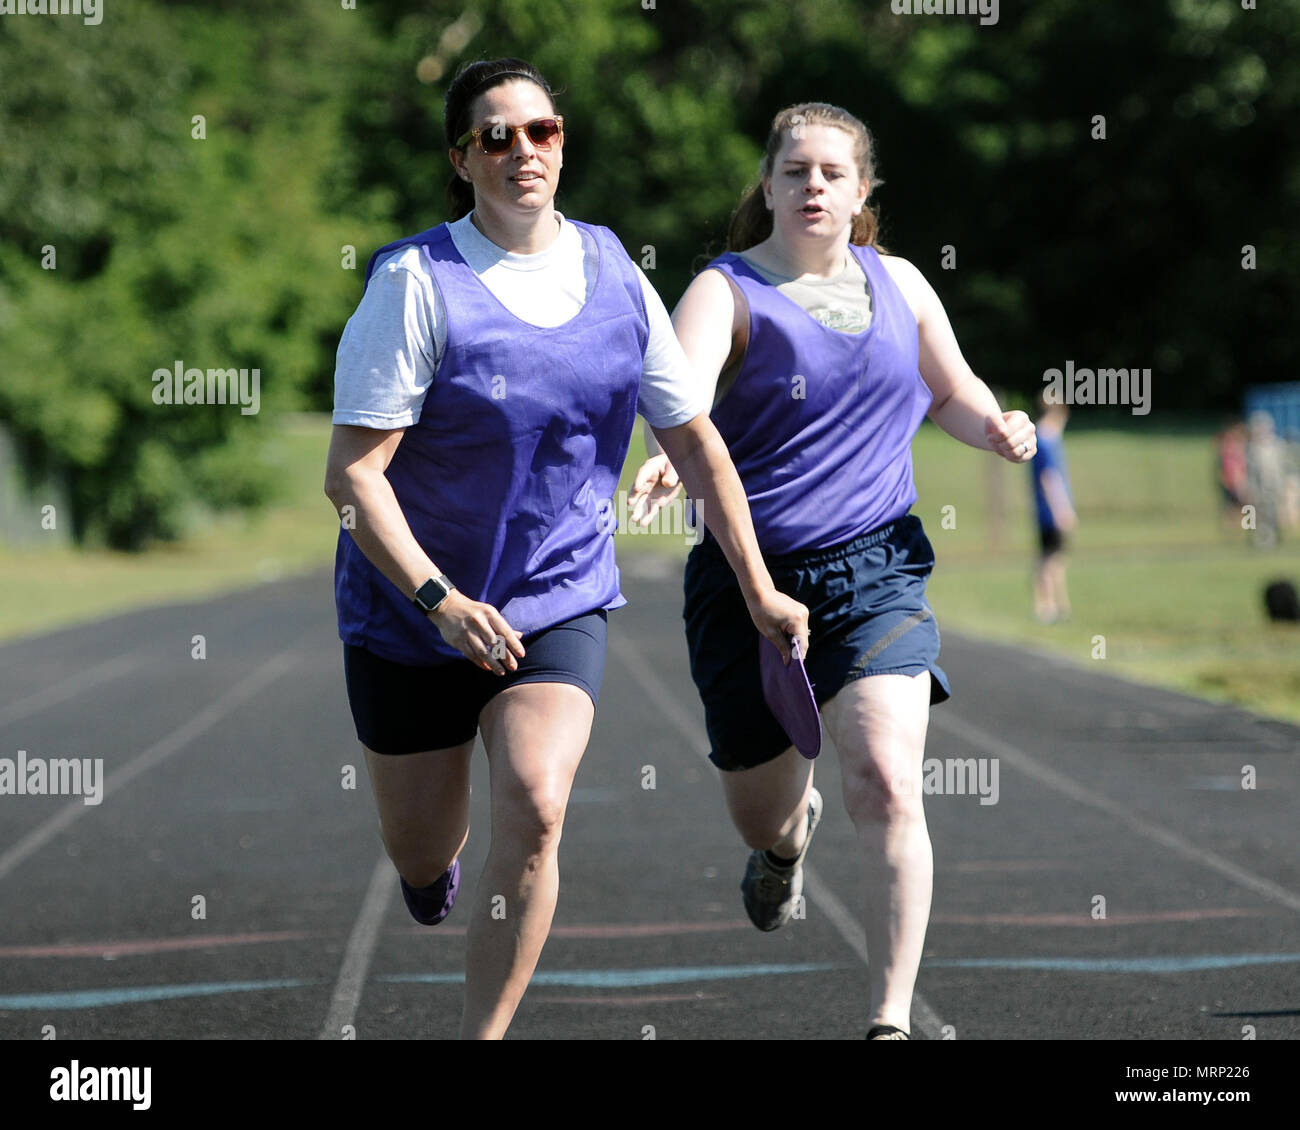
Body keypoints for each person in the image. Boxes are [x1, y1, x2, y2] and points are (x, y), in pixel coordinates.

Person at [322, 58, 808, 1040]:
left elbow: (693, 440)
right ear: (460, 159)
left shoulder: (615, 271)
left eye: (538, 131)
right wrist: (440, 602)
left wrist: (757, 586)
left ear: (560, 141)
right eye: (494, 137)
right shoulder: (414, 282)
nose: (521, 151)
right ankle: (432, 873)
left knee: (538, 802)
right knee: (419, 855)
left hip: (554, 595)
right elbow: (352, 479)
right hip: (413, 610)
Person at [630, 102, 1036, 1039]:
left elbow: (952, 390)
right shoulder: (724, 291)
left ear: (862, 193)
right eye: (796, 171)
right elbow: (680, 402)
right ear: (768, 186)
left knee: (889, 781)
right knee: (758, 813)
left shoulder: (901, 284)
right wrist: (665, 456)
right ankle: (784, 842)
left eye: (833, 173)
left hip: (875, 569)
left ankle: (888, 1021)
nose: (814, 186)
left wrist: (997, 426)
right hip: (748, 581)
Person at [1031, 394, 1076, 623]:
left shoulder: (1039, 437)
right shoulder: (1047, 440)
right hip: (1050, 510)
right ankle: (1049, 606)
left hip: (1042, 509)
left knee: (1049, 557)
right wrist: (1061, 509)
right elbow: (1049, 478)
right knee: (1052, 558)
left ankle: (1055, 604)